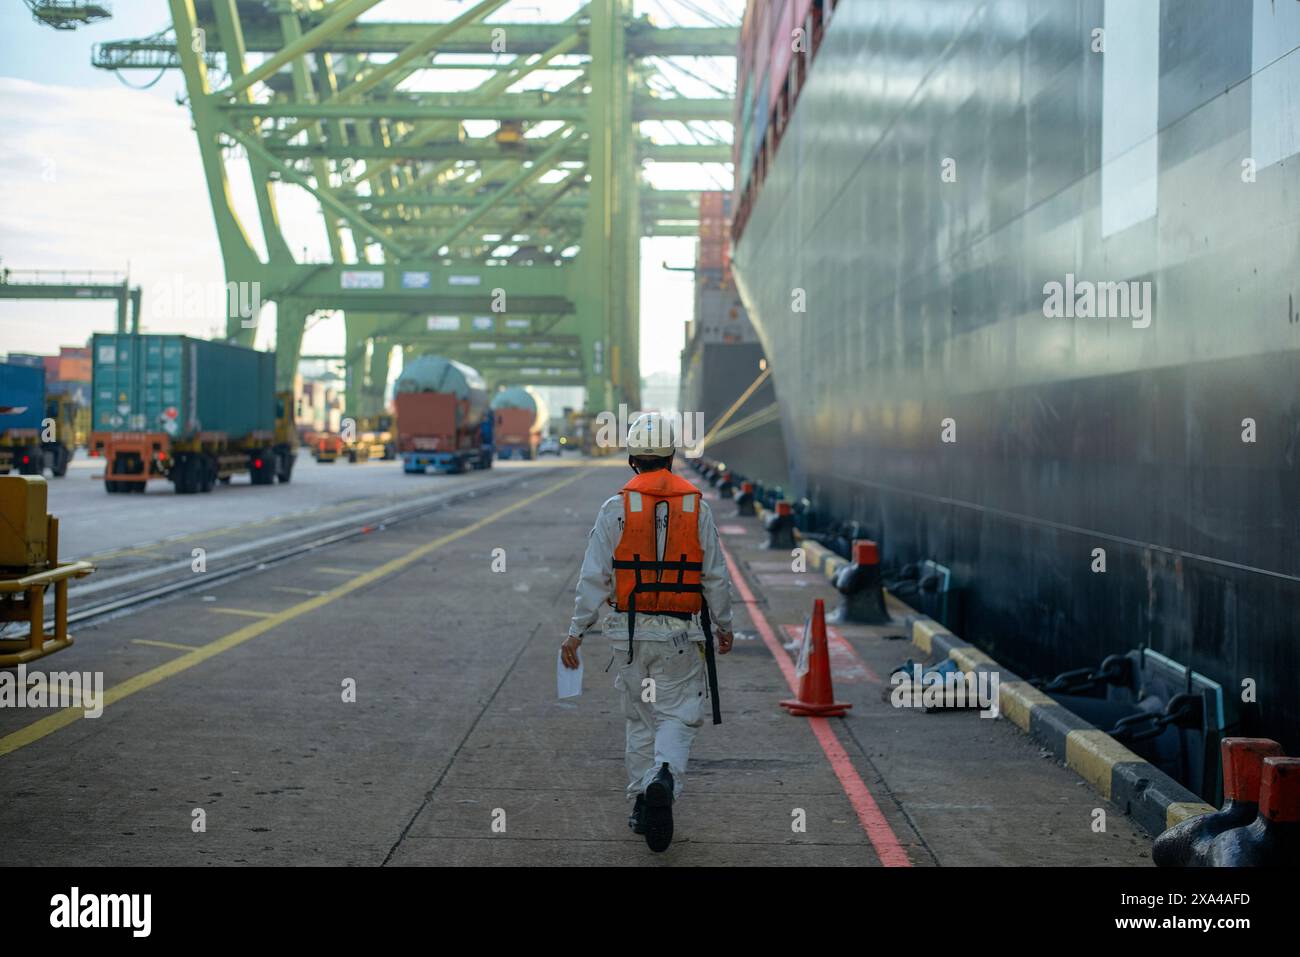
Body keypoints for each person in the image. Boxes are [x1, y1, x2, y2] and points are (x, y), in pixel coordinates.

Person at [561, 412, 735, 853]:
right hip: (680, 634)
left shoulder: (615, 507)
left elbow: (593, 577)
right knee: (677, 715)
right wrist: (724, 624)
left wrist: (576, 632)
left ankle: (641, 801)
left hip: (628, 635)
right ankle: (664, 779)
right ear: (672, 457)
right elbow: (715, 575)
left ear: (633, 459)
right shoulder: (697, 506)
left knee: (639, 718)